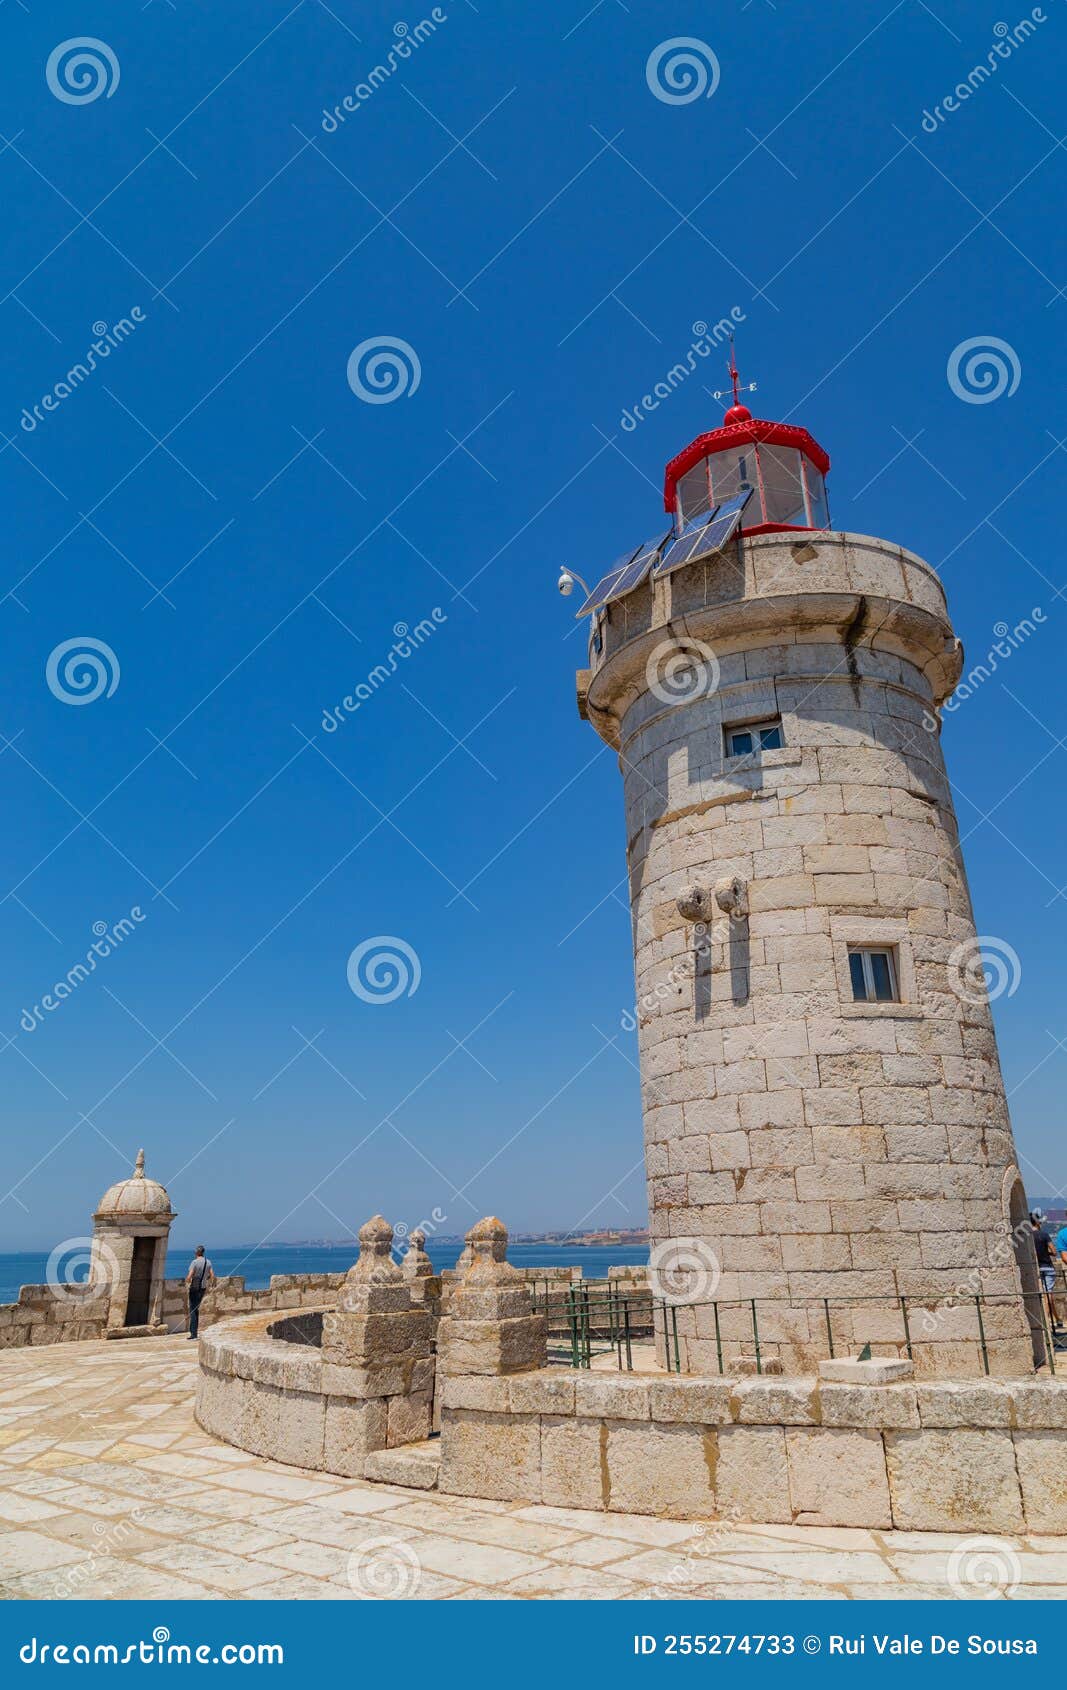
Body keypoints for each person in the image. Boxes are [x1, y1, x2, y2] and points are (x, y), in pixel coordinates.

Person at [1032, 1213, 1064, 1336]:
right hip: (1048, 1267)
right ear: (1038, 1222)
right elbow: (1054, 1252)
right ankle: (1047, 1321)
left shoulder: (1028, 1236)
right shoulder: (1044, 1235)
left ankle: (1056, 1319)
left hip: (1036, 1268)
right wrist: (1046, 1253)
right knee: (1048, 1294)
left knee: (1044, 1294)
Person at [185, 1245, 215, 1339]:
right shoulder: (208, 1262)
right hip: (202, 1288)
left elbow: (189, 1276)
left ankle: (193, 1334)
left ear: (197, 1252)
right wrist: (207, 1280)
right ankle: (195, 1332)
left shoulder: (194, 1262)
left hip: (194, 1288)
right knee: (196, 1309)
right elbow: (212, 1275)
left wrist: (187, 1281)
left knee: (192, 1310)